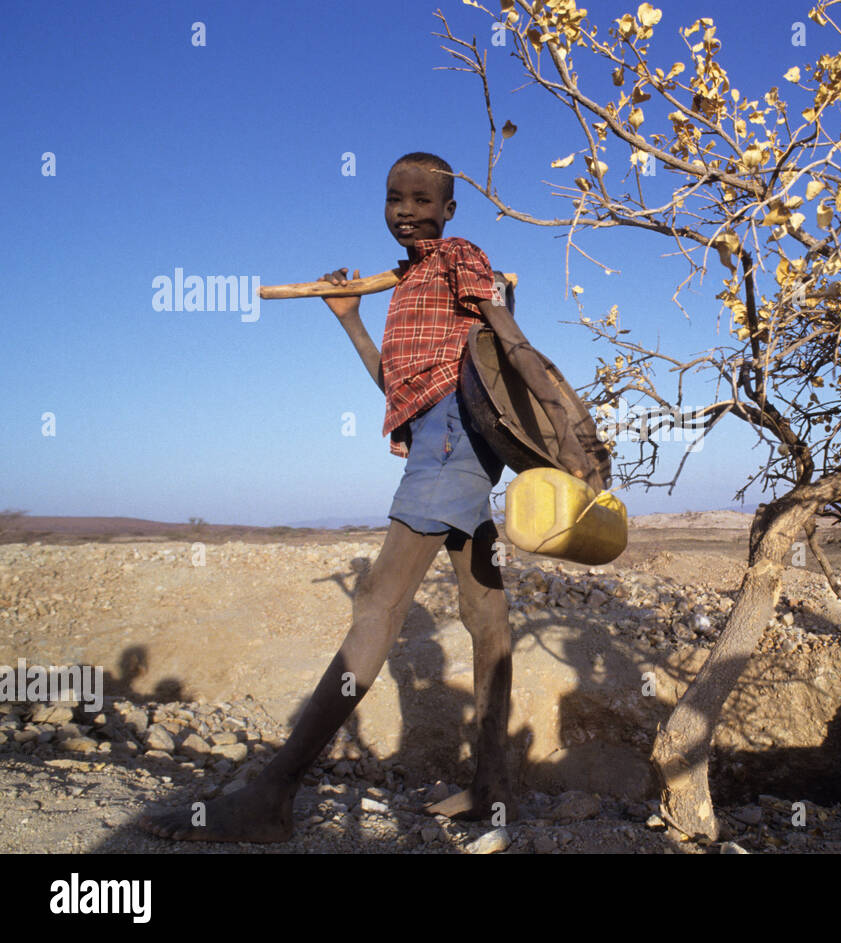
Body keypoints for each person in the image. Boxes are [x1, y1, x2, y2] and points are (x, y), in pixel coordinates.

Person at [140, 151, 600, 842]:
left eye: (422, 199)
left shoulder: (458, 258)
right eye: (393, 198)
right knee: (489, 620)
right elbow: (399, 388)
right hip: (443, 444)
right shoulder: (410, 284)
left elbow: (513, 340)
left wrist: (575, 428)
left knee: (378, 608)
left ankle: (272, 794)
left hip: (450, 445)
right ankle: (494, 788)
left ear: (449, 210)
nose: (406, 210)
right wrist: (351, 317)